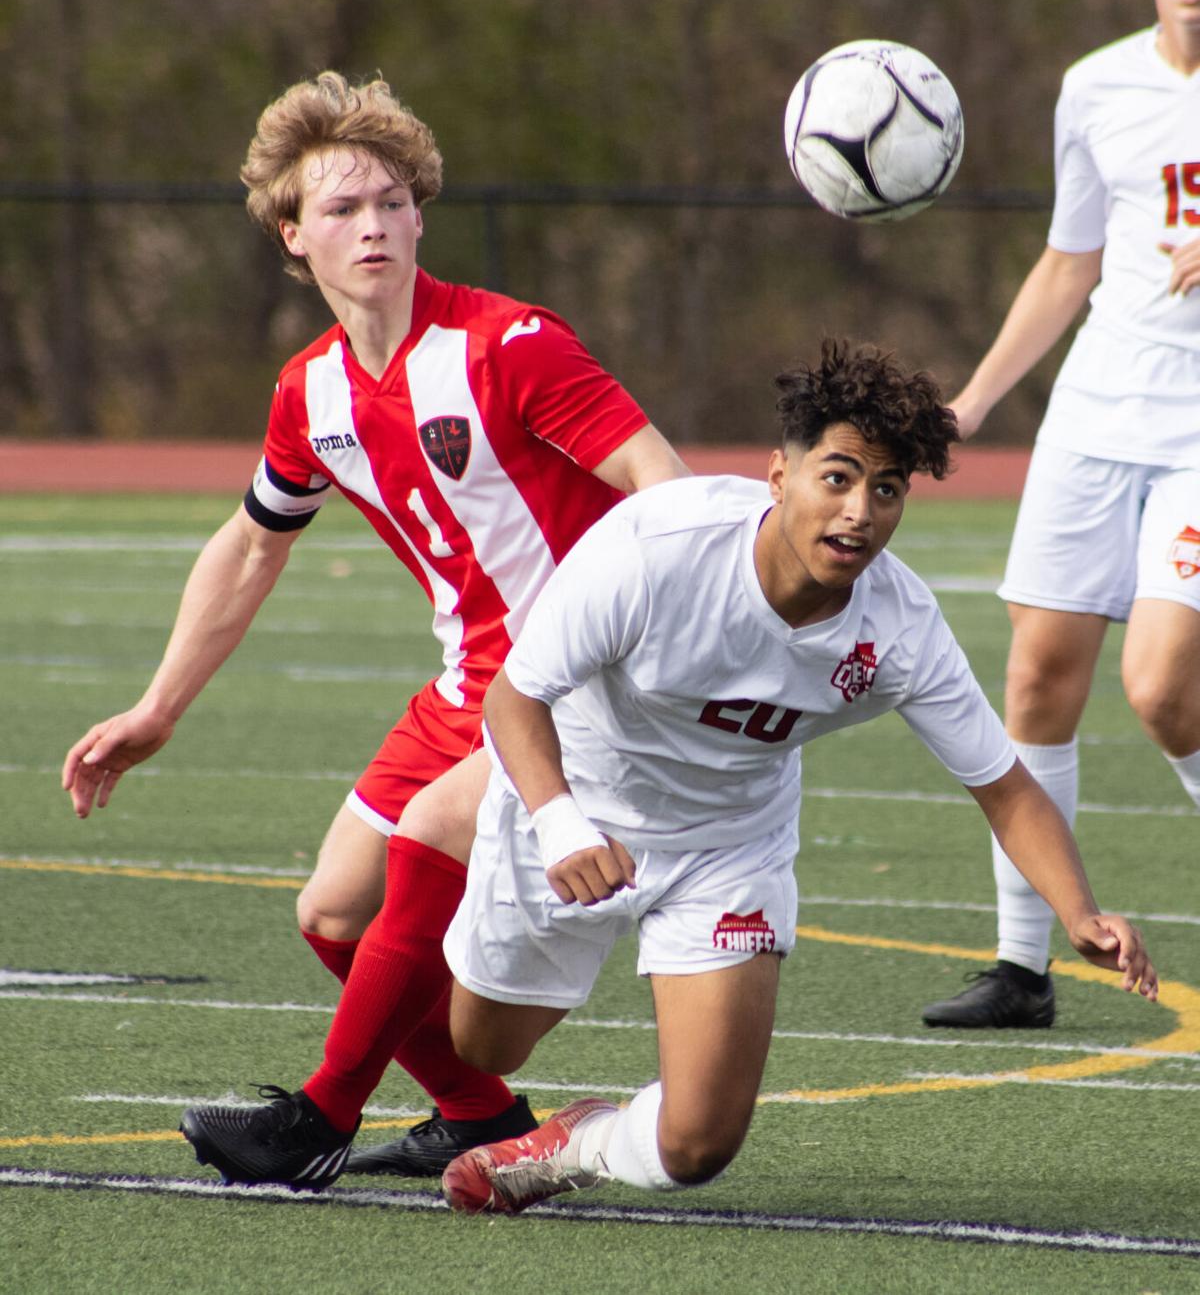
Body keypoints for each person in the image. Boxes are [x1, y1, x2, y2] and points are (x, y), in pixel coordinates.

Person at [61, 71, 688, 1178]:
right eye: (342, 209)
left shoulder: (510, 345)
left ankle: (318, 1121)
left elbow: (662, 488)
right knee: (334, 915)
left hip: (579, 684)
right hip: (468, 685)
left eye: (392, 201)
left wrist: (654, 649)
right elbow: (254, 542)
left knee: (422, 842)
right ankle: (488, 1121)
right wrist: (159, 707)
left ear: (419, 216)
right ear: (291, 236)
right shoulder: (309, 393)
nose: (373, 225)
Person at [426, 339, 1157, 1215]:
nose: (859, 512)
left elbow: (1005, 787)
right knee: (484, 1045)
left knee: (697, 1143)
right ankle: (451, 842)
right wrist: (558, 823)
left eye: (886, 490)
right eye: (838, 477)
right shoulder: (659, 547)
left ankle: (579, 1141)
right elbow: (514, 700)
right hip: (577, 812)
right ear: (780, 474)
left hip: (729, 845)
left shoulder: (899, 627)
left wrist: (1080, 911)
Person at [921, 0, 1200, 1029]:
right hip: (1094, 414)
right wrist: (975, 401)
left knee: (1165, 688)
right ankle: (1022, 970)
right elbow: (1069, 259)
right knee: (1036, 678)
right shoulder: (1094, 87)